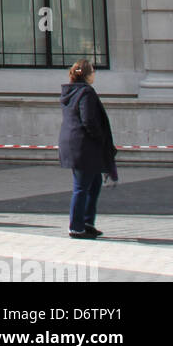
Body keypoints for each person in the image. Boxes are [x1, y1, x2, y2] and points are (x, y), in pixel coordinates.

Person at [59, 59, 116, 240]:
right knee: (82, 187)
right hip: (84, 146)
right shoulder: (86, 93)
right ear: (86, 74)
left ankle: (87, 222)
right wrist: (101, 138)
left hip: (76, 145)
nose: (94, 74)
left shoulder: (72, 92)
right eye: (93, 71)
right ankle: (76, 227)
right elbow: (89, 120)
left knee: (94, 184)